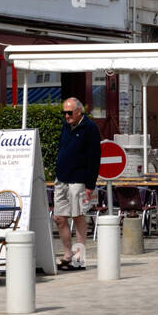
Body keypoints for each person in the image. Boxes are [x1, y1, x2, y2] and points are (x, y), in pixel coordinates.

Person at [54, 97, 100, 269]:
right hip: (62, 178)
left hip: (79, 179)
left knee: (78, 216)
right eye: (64, 113)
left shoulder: (90, 128)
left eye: (69, 112)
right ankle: (67, 254)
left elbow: (94, 158)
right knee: (59, 217)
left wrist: (90, 185)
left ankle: (79, 257)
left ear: (79, 111)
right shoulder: (66, 127)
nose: (66, 116)